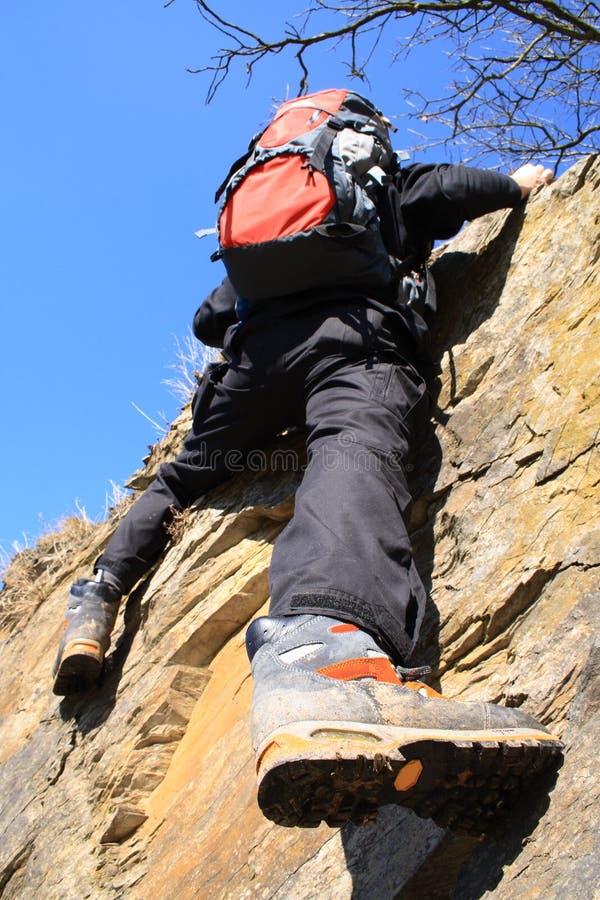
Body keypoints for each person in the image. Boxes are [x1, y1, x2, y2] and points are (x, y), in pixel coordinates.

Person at [52, 113, 559, 829]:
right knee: (351, 442)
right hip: (353, 338)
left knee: (182, 478)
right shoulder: (380, 183)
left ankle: (96, 596)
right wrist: (518, 182)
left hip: (254, 371)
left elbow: (208, 318)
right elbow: (457, 188)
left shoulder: (272, 212)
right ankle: (322, 657)